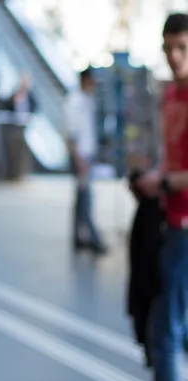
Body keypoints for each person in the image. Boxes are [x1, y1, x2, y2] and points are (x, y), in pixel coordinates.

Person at [134, 13, 188, 381]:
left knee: (166, 330)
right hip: (169, 223)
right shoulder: (170, 95)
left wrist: (164, 181)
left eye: (182, 48)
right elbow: (170, 157)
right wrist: (150, 176)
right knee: (168, 326)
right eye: (168, 47)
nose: (173, 56)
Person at [63, 68, 107, 254]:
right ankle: (92, 237)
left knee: (82, 197)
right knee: (86, 196)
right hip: (80, 156)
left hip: (87, 155)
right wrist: (78, 158)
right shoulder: (74, 102)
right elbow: (71, 132)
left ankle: (78, 237)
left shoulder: (88, 101)